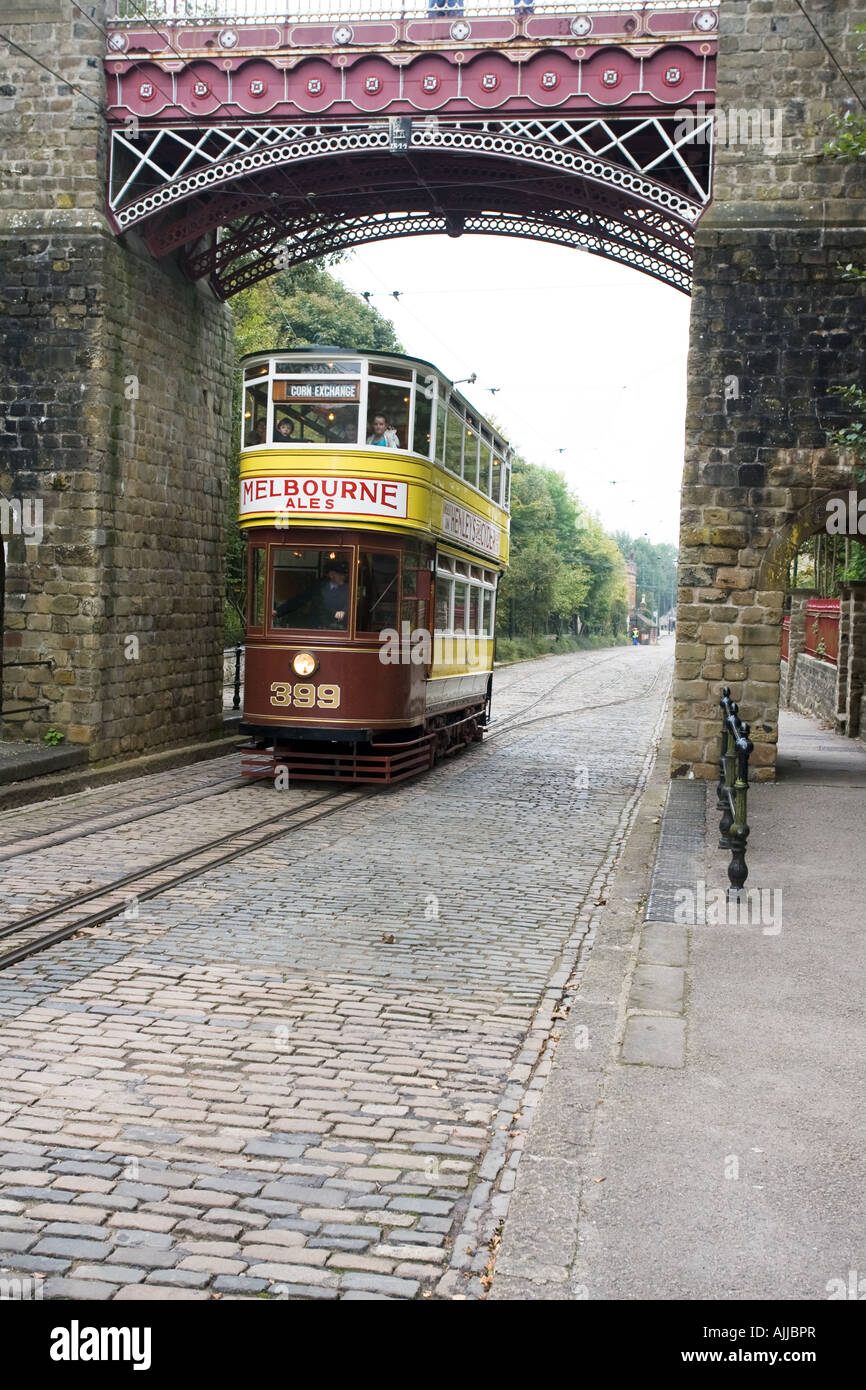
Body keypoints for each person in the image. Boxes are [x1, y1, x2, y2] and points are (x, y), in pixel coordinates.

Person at [275, 561, 349, 629]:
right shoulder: (318, 587)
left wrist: (342, 614)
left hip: (338, 631)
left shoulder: (348, 590)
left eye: (344, 575)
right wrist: (278, 611)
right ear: (331, 574)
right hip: (316, 629)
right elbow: (300, 599)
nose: (343, 577)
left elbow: (350, 607)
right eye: (340, 574)